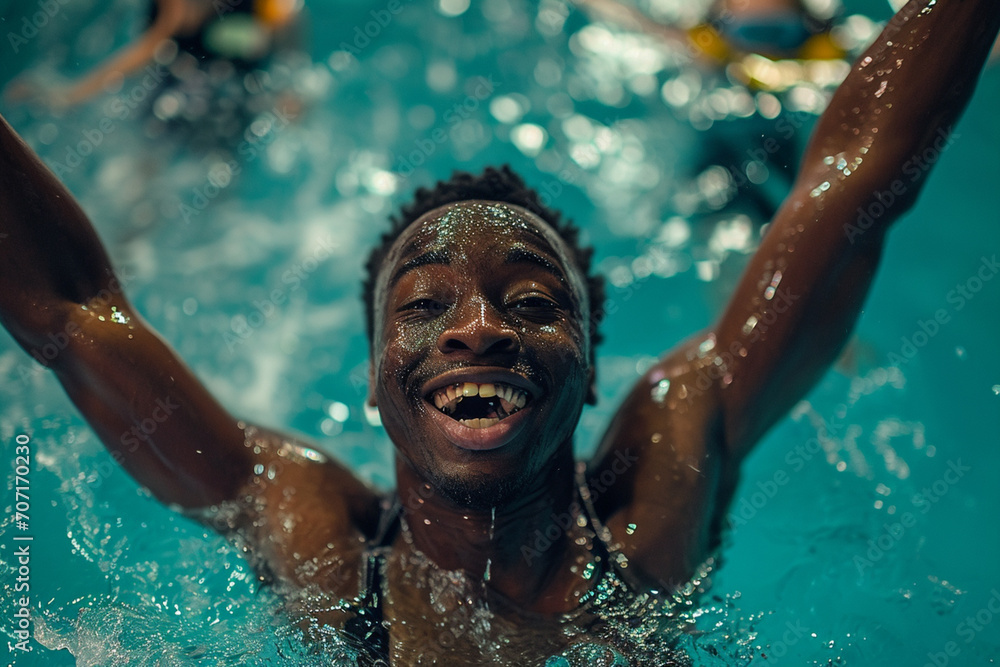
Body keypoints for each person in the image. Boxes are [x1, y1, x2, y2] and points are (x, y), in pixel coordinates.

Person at [1, 0, 997, 663]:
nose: (477, 329)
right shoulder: (323, 547)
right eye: (425, 305)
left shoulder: (655, 500)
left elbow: (857, 182)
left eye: (529, 302)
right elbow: (71, 311)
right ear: (372, 380)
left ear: (593, 371)